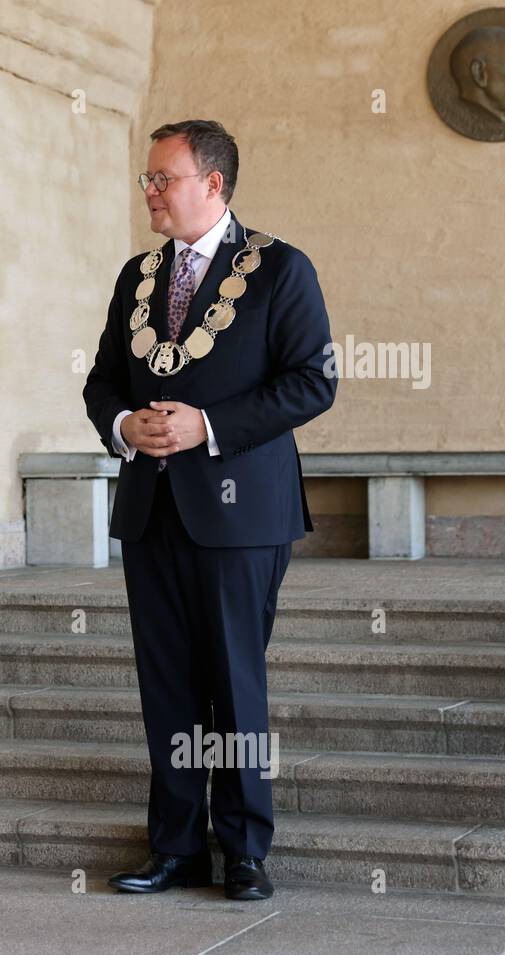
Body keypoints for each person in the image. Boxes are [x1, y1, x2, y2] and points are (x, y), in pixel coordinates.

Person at [82, 119, 335, 900]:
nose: (150, 192)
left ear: (213, 184)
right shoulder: (137, 275)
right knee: (168, 686)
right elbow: (102, 380)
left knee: (235, 681)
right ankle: (177, 845)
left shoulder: (280, 268)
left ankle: (246, 848)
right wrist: (125, 425)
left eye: (163, 178)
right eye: (148, 180)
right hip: (152, 509)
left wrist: (208, 426)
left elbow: (312, 381)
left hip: (241, 513)